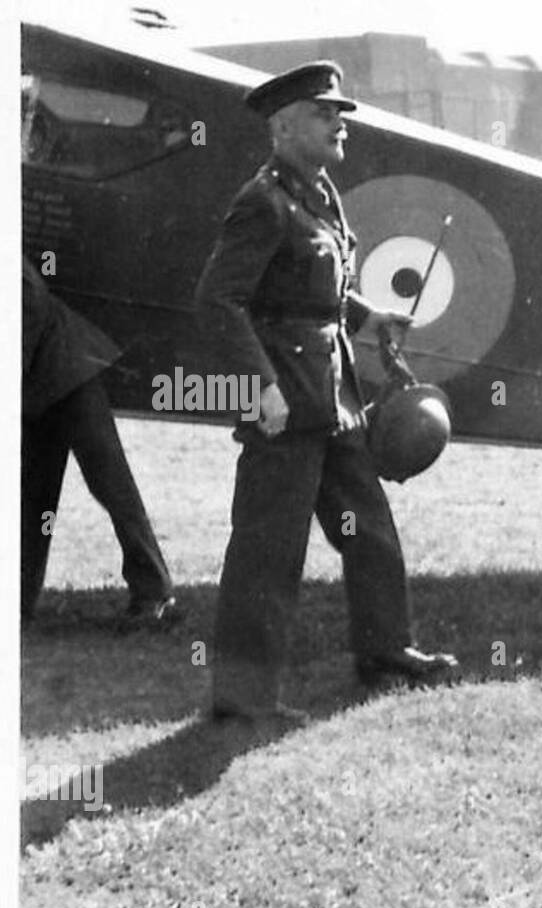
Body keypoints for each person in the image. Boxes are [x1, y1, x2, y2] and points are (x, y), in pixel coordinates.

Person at [195, 61, 457, 726]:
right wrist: (261, 391)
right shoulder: (263, 202)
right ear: (284, 127)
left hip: (332, 397)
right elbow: (218, 302)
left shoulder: (319, 193)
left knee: (369, 529)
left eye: (340, 112)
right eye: (325, 113)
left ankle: (386, 650)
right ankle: (242, 698)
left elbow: (323, 291)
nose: (340, 123)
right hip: (284, 407)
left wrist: (372, 319)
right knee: (268, 549)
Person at [22, 257, 177, 628]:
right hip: (35, 386)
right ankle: (17, 600)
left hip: (71, 372)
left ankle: (154, 593)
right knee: (32, 495)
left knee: (111, 485)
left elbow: (30, 305)